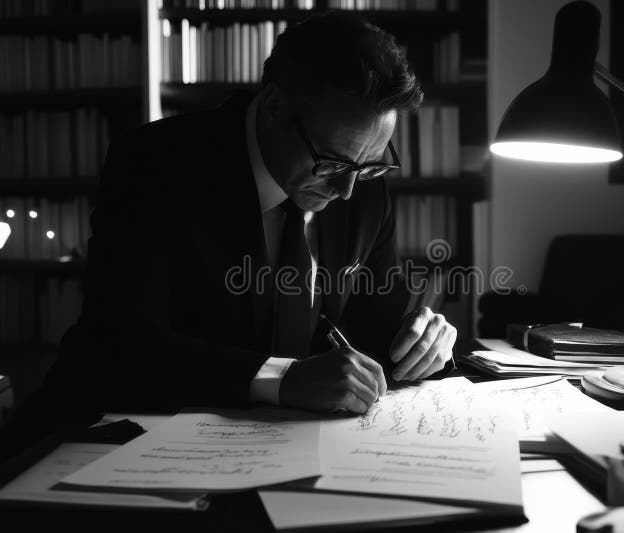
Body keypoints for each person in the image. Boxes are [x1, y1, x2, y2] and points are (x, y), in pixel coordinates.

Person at [42, 12, 457, 418]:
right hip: (119, 431)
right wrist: (282, 378)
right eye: (331, 163)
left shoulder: (362, 179)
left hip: (292, 443)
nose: (346, 191)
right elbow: (124, 340)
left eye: (371, 164)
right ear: (274, 106)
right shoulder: (153, 165)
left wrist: (422, 340)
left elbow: (375, 318)